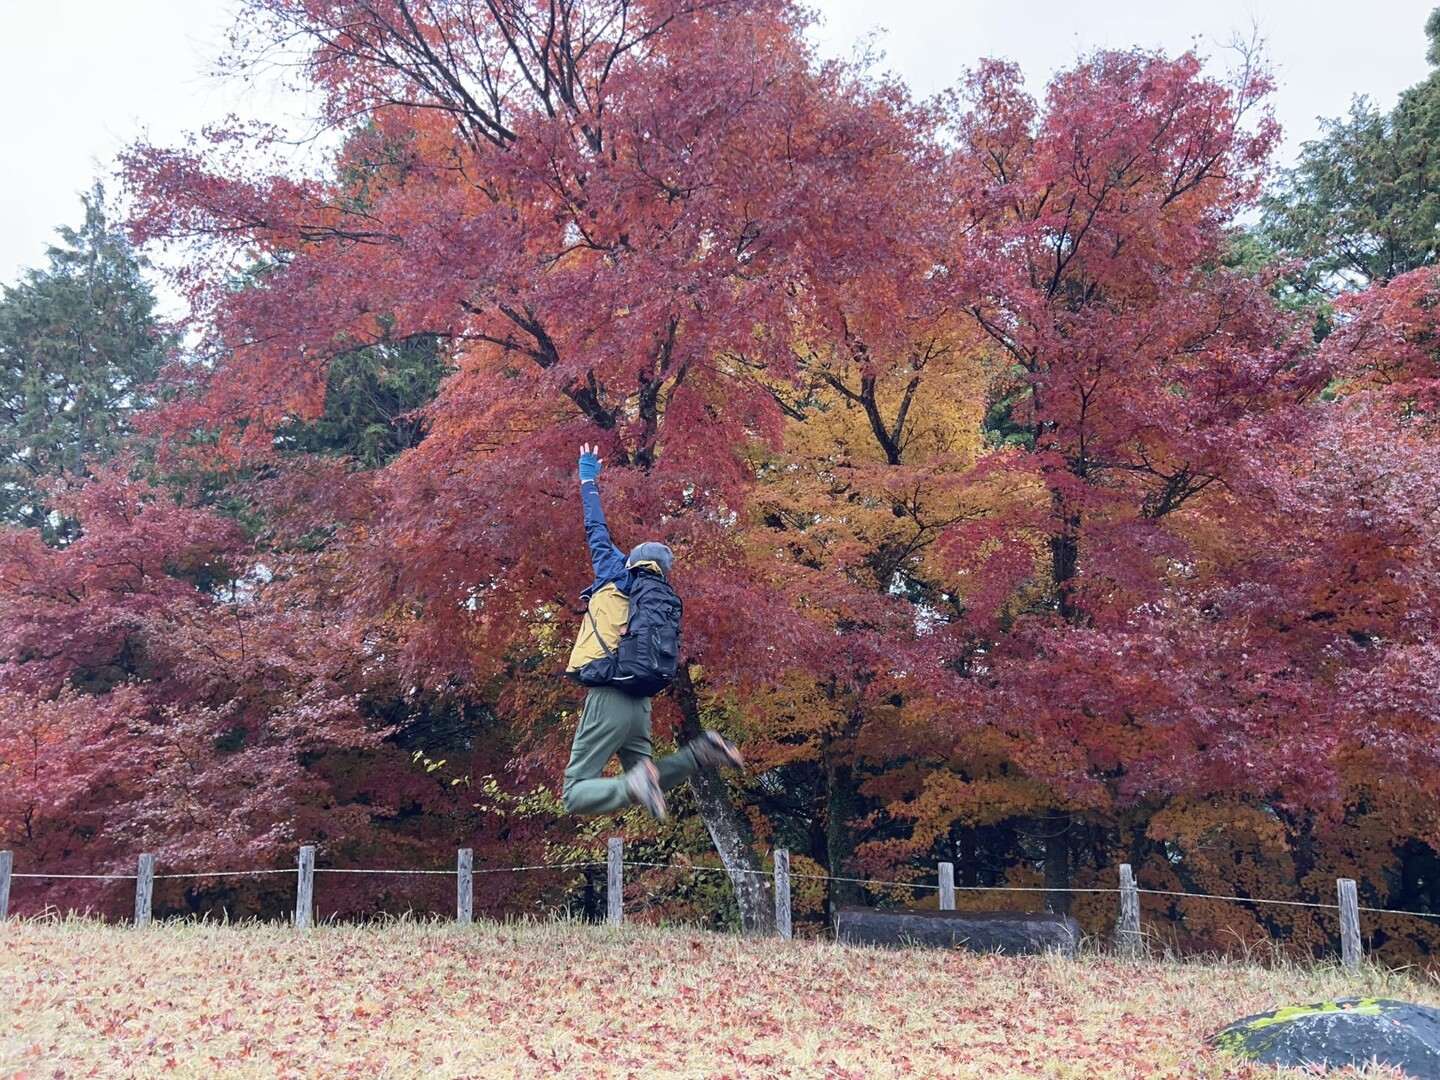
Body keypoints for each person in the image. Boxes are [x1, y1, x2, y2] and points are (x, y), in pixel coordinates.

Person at [561, 442, 742, 820]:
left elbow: (595, 526)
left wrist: (588, 477)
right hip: (640, 703)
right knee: (651, 778)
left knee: (575, 794)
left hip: (608, 695)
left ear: (631, 559)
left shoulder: (612, 570)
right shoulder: (660, 596)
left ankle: (632, 784)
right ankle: (700, 753)